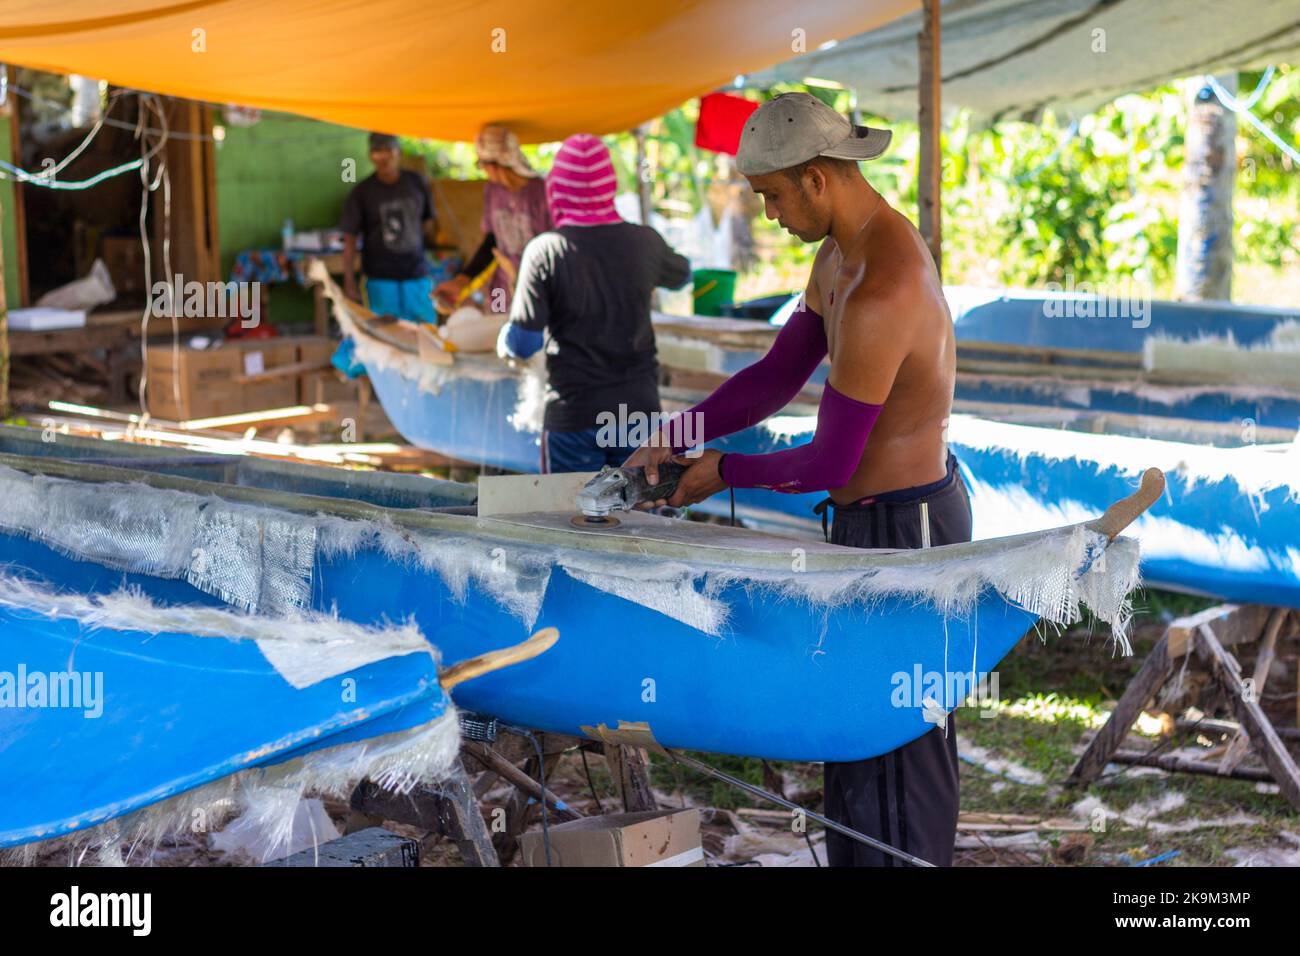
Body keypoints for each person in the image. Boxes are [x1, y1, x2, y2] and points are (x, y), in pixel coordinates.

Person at [625, 92, 967, 867]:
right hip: (868, 522)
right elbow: (776, 376)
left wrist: (721, 472)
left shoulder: (886, 285)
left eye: (773, 195)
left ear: (817, 178)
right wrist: (674, 436)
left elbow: (829, 462)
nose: (769, 213)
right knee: (856, 726)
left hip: (905, 526)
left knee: (900, 740)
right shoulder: (838, 258)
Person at [496, 133, 690, 473]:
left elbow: (524, 344)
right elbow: (683, 274)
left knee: (572, 522)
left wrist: (505, 339)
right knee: (639, 521)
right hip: (637, 413)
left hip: (575, 417)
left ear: (555, 189)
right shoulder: (644, 241)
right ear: (610, 185)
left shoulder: (545, 251)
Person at [333, 132, 438, 376]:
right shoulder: (362, 193)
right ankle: (388, 388)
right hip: (381, 278)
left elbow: (428, 225)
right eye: (377, 152)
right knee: (385, 339)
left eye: (388, 150)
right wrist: (349, 283)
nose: (383, 157)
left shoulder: (417, 183)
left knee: (426, 335)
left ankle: (426, 381)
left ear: (398, 152)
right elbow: (349, 241)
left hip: (416, 274)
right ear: (370, 156)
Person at [434, 124, 551, 316]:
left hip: (537, 286)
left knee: (530, 336)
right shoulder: (493, 190)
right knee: (496, 327)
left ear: (497, 164)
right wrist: (462, 281)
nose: (484, 170)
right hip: (500, 285)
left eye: (483, 164)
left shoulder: (542, 192)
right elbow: (492, 241)